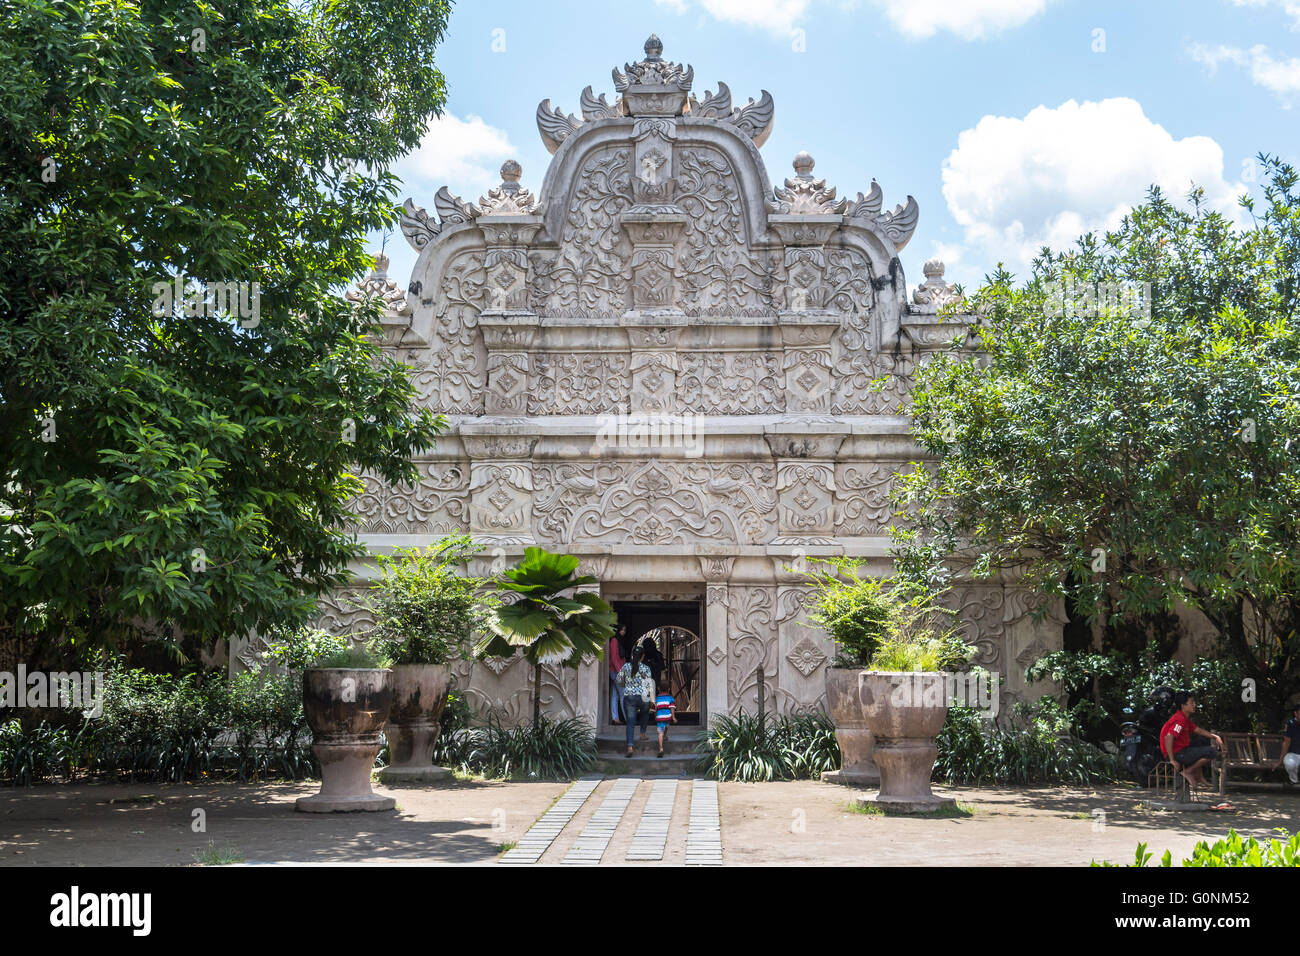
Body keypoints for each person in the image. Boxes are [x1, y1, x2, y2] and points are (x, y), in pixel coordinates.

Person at [1160, 691, 1223, 790]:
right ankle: (1188, 771)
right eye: (1191, 703)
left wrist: (1215, 737)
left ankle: (1199, 776)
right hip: (1175, 754)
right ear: (1183, 706)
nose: (1194, 705)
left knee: (1202, 741)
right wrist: (1172, 760)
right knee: (1212, 751)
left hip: (1181, 750)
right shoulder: (1180, 720)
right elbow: (1169, 737)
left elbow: (1199, 730)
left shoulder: (1184, 718)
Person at [616, 645, 654, 757]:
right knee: (645, 713)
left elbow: (617, 680)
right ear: (643, 656)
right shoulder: (646, 668)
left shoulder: (626, 666)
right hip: (643, 697)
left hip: (629, 697)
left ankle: (630, 747)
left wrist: (624, 683)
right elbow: (650, 685)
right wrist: (653, 700)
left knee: (630, 722)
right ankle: (642, 734)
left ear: (633, 655)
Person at [1272, 701, 1300, 785]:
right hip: (1293, 754)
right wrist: (1280, 761)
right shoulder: (1290, 724)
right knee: (1289, 764)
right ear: (1295, 714)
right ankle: (1294, 780)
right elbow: (1286, 743)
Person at [653, 672, 676, 759]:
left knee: (660, 733)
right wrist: (673, 717)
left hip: (659, 717)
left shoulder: (657, 699)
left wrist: (655, 716)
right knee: (666, 726)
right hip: (667, 717)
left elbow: (655, 709)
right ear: (669, 689)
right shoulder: (670, 698)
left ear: (659, 689)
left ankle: (661, 749)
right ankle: (665, 735)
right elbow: (672, 708)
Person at [608, 626, 627, 725]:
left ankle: (615, 718)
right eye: (622, 630)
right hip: (616, 671)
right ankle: (628, 718)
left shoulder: (617, 641)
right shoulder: (615, 641)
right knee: (623, 694)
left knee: (615, 695)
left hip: (615, 671)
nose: (624, 632)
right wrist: (620, 672)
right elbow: (614, 658)